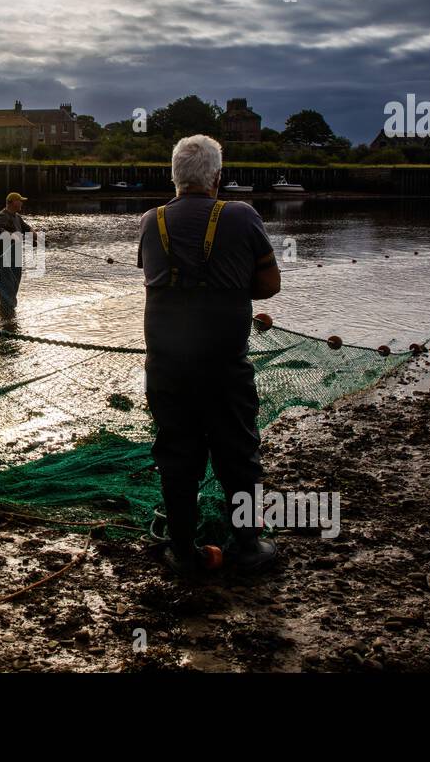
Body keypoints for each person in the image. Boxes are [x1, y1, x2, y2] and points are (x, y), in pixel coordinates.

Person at [137, 135, 281, 577]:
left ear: (174, 177)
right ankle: (248, 546)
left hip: (166, 366)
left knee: (177, 453)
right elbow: (269, 284)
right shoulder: (242, 215)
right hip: (224, 366)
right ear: (217, 177)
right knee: (238, 451)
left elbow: (157, 276)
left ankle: (183, 551)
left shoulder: (151, 220)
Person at [0, 192, 32, 315]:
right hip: (3, 258)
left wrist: (40, 239)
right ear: (12, 202)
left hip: (16, 259)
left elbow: (28, 229)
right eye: (20, 201)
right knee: (6, 287)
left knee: (13, 286)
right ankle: (7, 317)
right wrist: (12, 236)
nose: (21, 203)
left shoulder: (17, 217)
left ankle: (7, 317)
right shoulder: (2, 216)